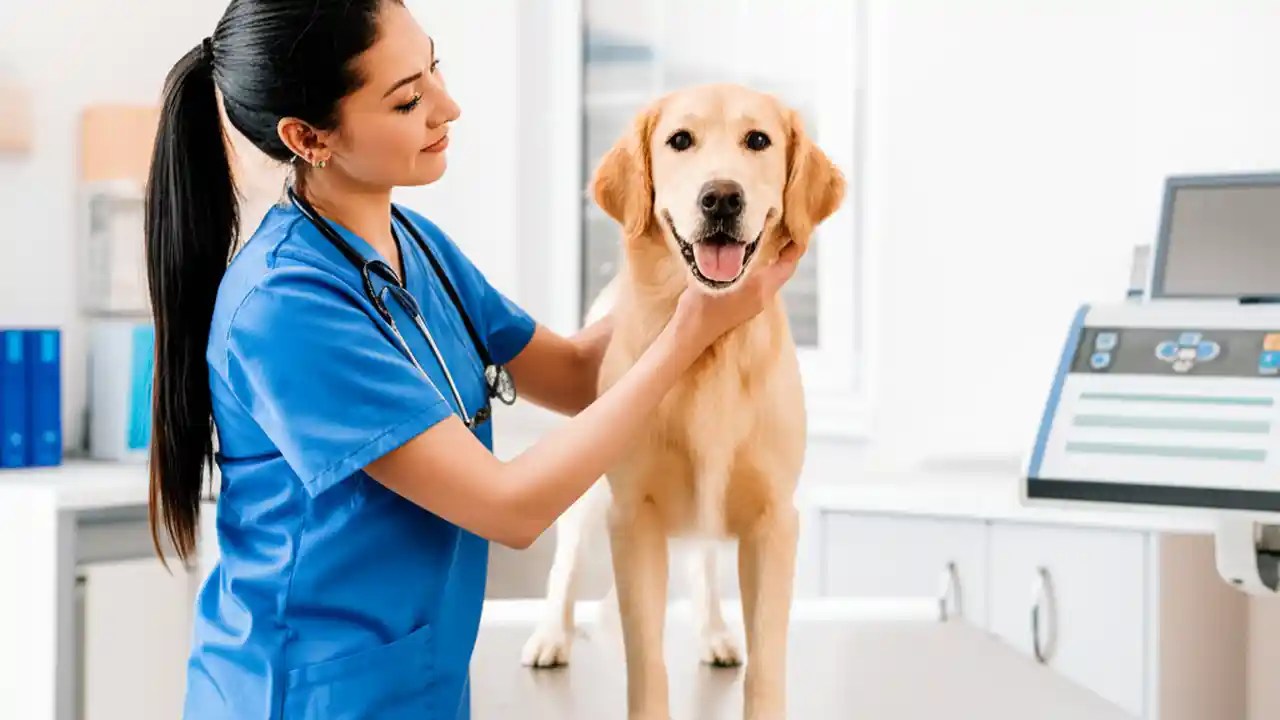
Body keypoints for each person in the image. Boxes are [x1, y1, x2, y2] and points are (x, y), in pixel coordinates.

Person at [144, 1, 800, 717]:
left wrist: (698, 280)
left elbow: (579, 374)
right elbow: (510, 508)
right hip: (305, 696)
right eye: (407, 99)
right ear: (309, 137)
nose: (447, 107)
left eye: (433, 68)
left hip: (420, 687)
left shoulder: (416, 247)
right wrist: (687, 335)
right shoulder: (284, 309)